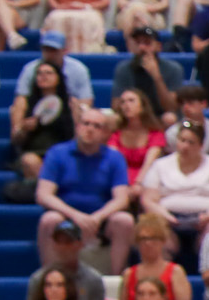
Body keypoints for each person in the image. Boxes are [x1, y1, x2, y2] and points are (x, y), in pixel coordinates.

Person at [36, 107, 135, 273]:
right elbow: (43, 195)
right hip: (66, 216)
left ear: (105, 133)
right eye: (86, 123)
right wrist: (76, 215)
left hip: (101, 219)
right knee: (49, 219)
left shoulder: (115, 157)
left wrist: (97, 218)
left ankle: (116, 278)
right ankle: (51, 275)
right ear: (77, 127)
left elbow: (122, 199)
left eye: (96, 126)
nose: (90, 129)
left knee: (124, 220)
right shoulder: (57, 153)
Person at [141, 117, 209, 264]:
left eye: (191, 142)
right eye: (182, 140)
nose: (185, 146)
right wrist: (166, 216)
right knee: (152, 229)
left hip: (204, 221)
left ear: (201, 145)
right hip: (168, 220)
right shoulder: (160, 165)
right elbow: (148, 199)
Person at [8, 58, 76, 181]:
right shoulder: (24, 103)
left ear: (58, 77)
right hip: (34, 152)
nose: (43, 76)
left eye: (49, 73)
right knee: (30, 161)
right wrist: (24, 129)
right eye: (39, 73)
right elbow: (15, 139)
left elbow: (76, 135)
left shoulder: (71, 104)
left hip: (61, 152)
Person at [121, 212, 193, 300]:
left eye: (153, 238)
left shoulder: (176, 272)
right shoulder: (129, 274)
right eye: (143, 239)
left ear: (163, 241)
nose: (148, 243)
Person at [112, 25, 182, 123]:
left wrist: (157, 77)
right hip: (132, 116)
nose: (141, 47)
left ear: (158, 46)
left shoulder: (173, 69)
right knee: (113, 118)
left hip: (160, 116)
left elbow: (171, 107)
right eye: (138, 43)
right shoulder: (123, 68)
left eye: (147, 43)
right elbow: (115, 105)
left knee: (170, 118)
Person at [107, 87, 167, 194]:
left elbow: (149, 163)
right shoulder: (116, 133)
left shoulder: (155, 133)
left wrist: (138, 183)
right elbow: (114, 161)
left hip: (146, 178)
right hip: (120, 179)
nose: (126, 105)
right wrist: (123, 184)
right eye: (123, 102)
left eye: (131, 100)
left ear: (143, 106)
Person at [175, 84, 209, 160]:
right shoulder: (172, 133)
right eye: (182, 103)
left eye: (190, 103)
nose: (185, 107)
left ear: (203, 103)